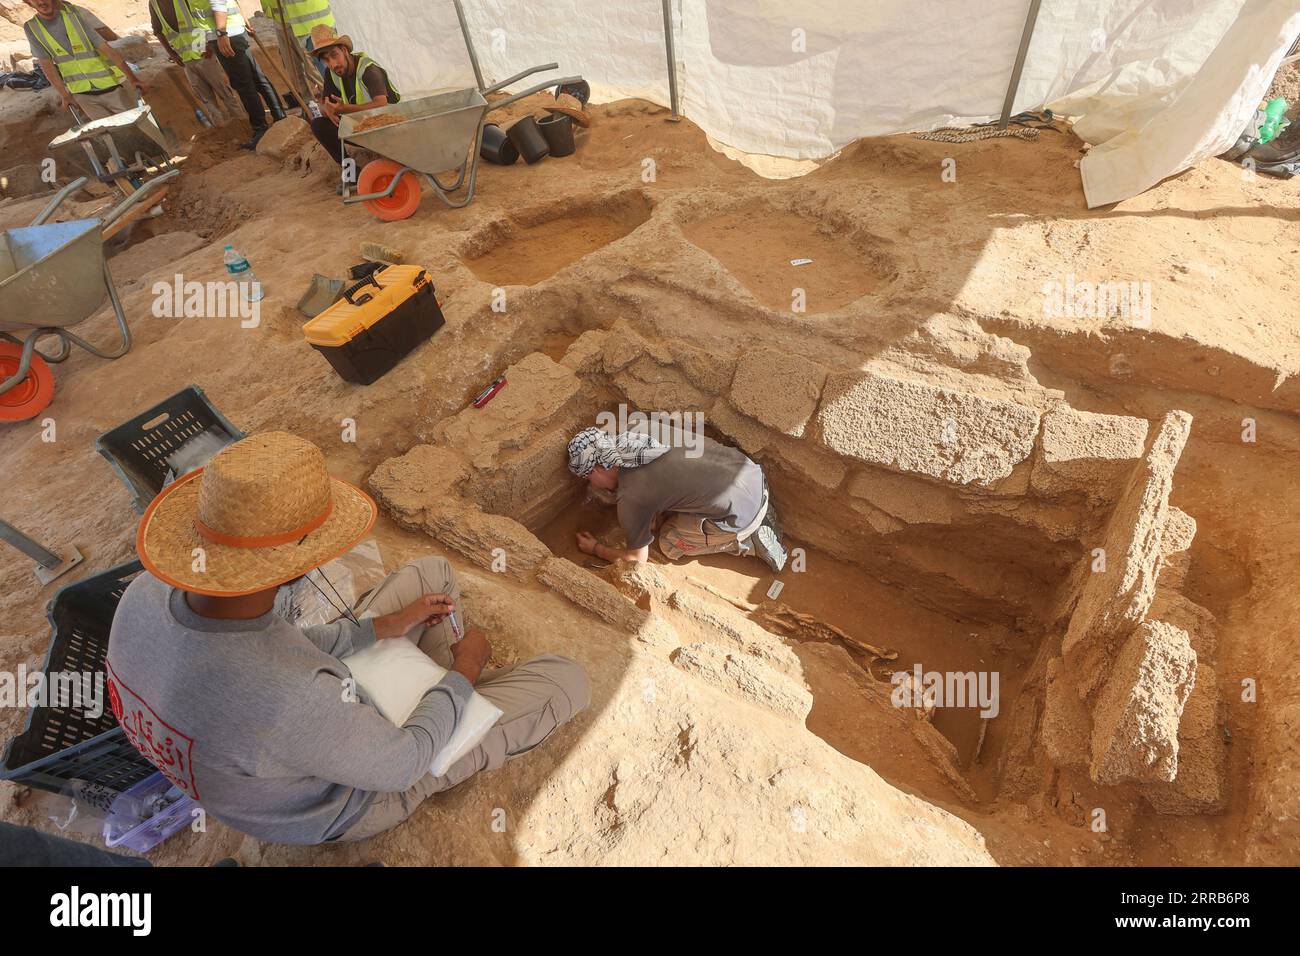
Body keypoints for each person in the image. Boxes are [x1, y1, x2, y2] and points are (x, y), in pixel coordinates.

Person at [106, 431, 589, 845]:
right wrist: (465, 672)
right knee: (567, 680)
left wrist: (383, 626)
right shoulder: (287, 697)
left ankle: (443, 690)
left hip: (296, 729)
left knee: (432, 574)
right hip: (350, 798)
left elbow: (271, 648)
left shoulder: (149, 591)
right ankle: (457, 697)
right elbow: (403, 763)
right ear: (298, 559)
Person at [567, 426, 788, 571]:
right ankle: (755, 508)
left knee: (668, 541)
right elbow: (667, 477)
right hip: (752, 475)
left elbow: (636, 561)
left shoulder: (631, 497)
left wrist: (596, 549)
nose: (591, 483)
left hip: (741, 515)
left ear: (596, 471)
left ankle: (749, 541)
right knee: (684, 495)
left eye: (587, 477)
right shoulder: (641, 435)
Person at [23, 0, 149, 121]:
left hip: (111, 86)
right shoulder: (32, 28)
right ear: (29, 2)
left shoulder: (74, 16)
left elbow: (106, 49)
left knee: (140, 124)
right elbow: (47, 65)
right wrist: (65, 95)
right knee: (108, 134)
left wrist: (133, 78)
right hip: (82, 94)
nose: (41, 2)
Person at [304, 24, 399, 167]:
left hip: (390, 128)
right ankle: (350, 170)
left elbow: (381, 104)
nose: (333, 64)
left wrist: (344, 109)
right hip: (364, 128)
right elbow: (326, 106)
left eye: (334, 55)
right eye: (326, 60)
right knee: (319, 125)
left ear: (344, 50)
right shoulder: (331, 73)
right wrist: (326, 108)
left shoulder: (368, 69)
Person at [205, 0, 284, 148]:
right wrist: (245, 21)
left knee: (244, 85)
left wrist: (221, 34)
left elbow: (218, 4)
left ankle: (260, 128)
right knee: (256, 78)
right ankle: (279, 116)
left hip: (226, 35)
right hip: (234, 31)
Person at [148, 0, 241, 125]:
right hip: (186, 59)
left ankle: (243, 123)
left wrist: (208, 44)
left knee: (224, 92)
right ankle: (223, 131)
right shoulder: (153, 3)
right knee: (207, 100)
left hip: (203, 53)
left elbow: (199, 18)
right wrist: (172, 54)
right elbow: (158, 31)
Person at [261, 0, 333, 88]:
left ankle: (335, 96)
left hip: (311, 22)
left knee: (324, 70)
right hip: (291, 21)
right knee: (297, 68)